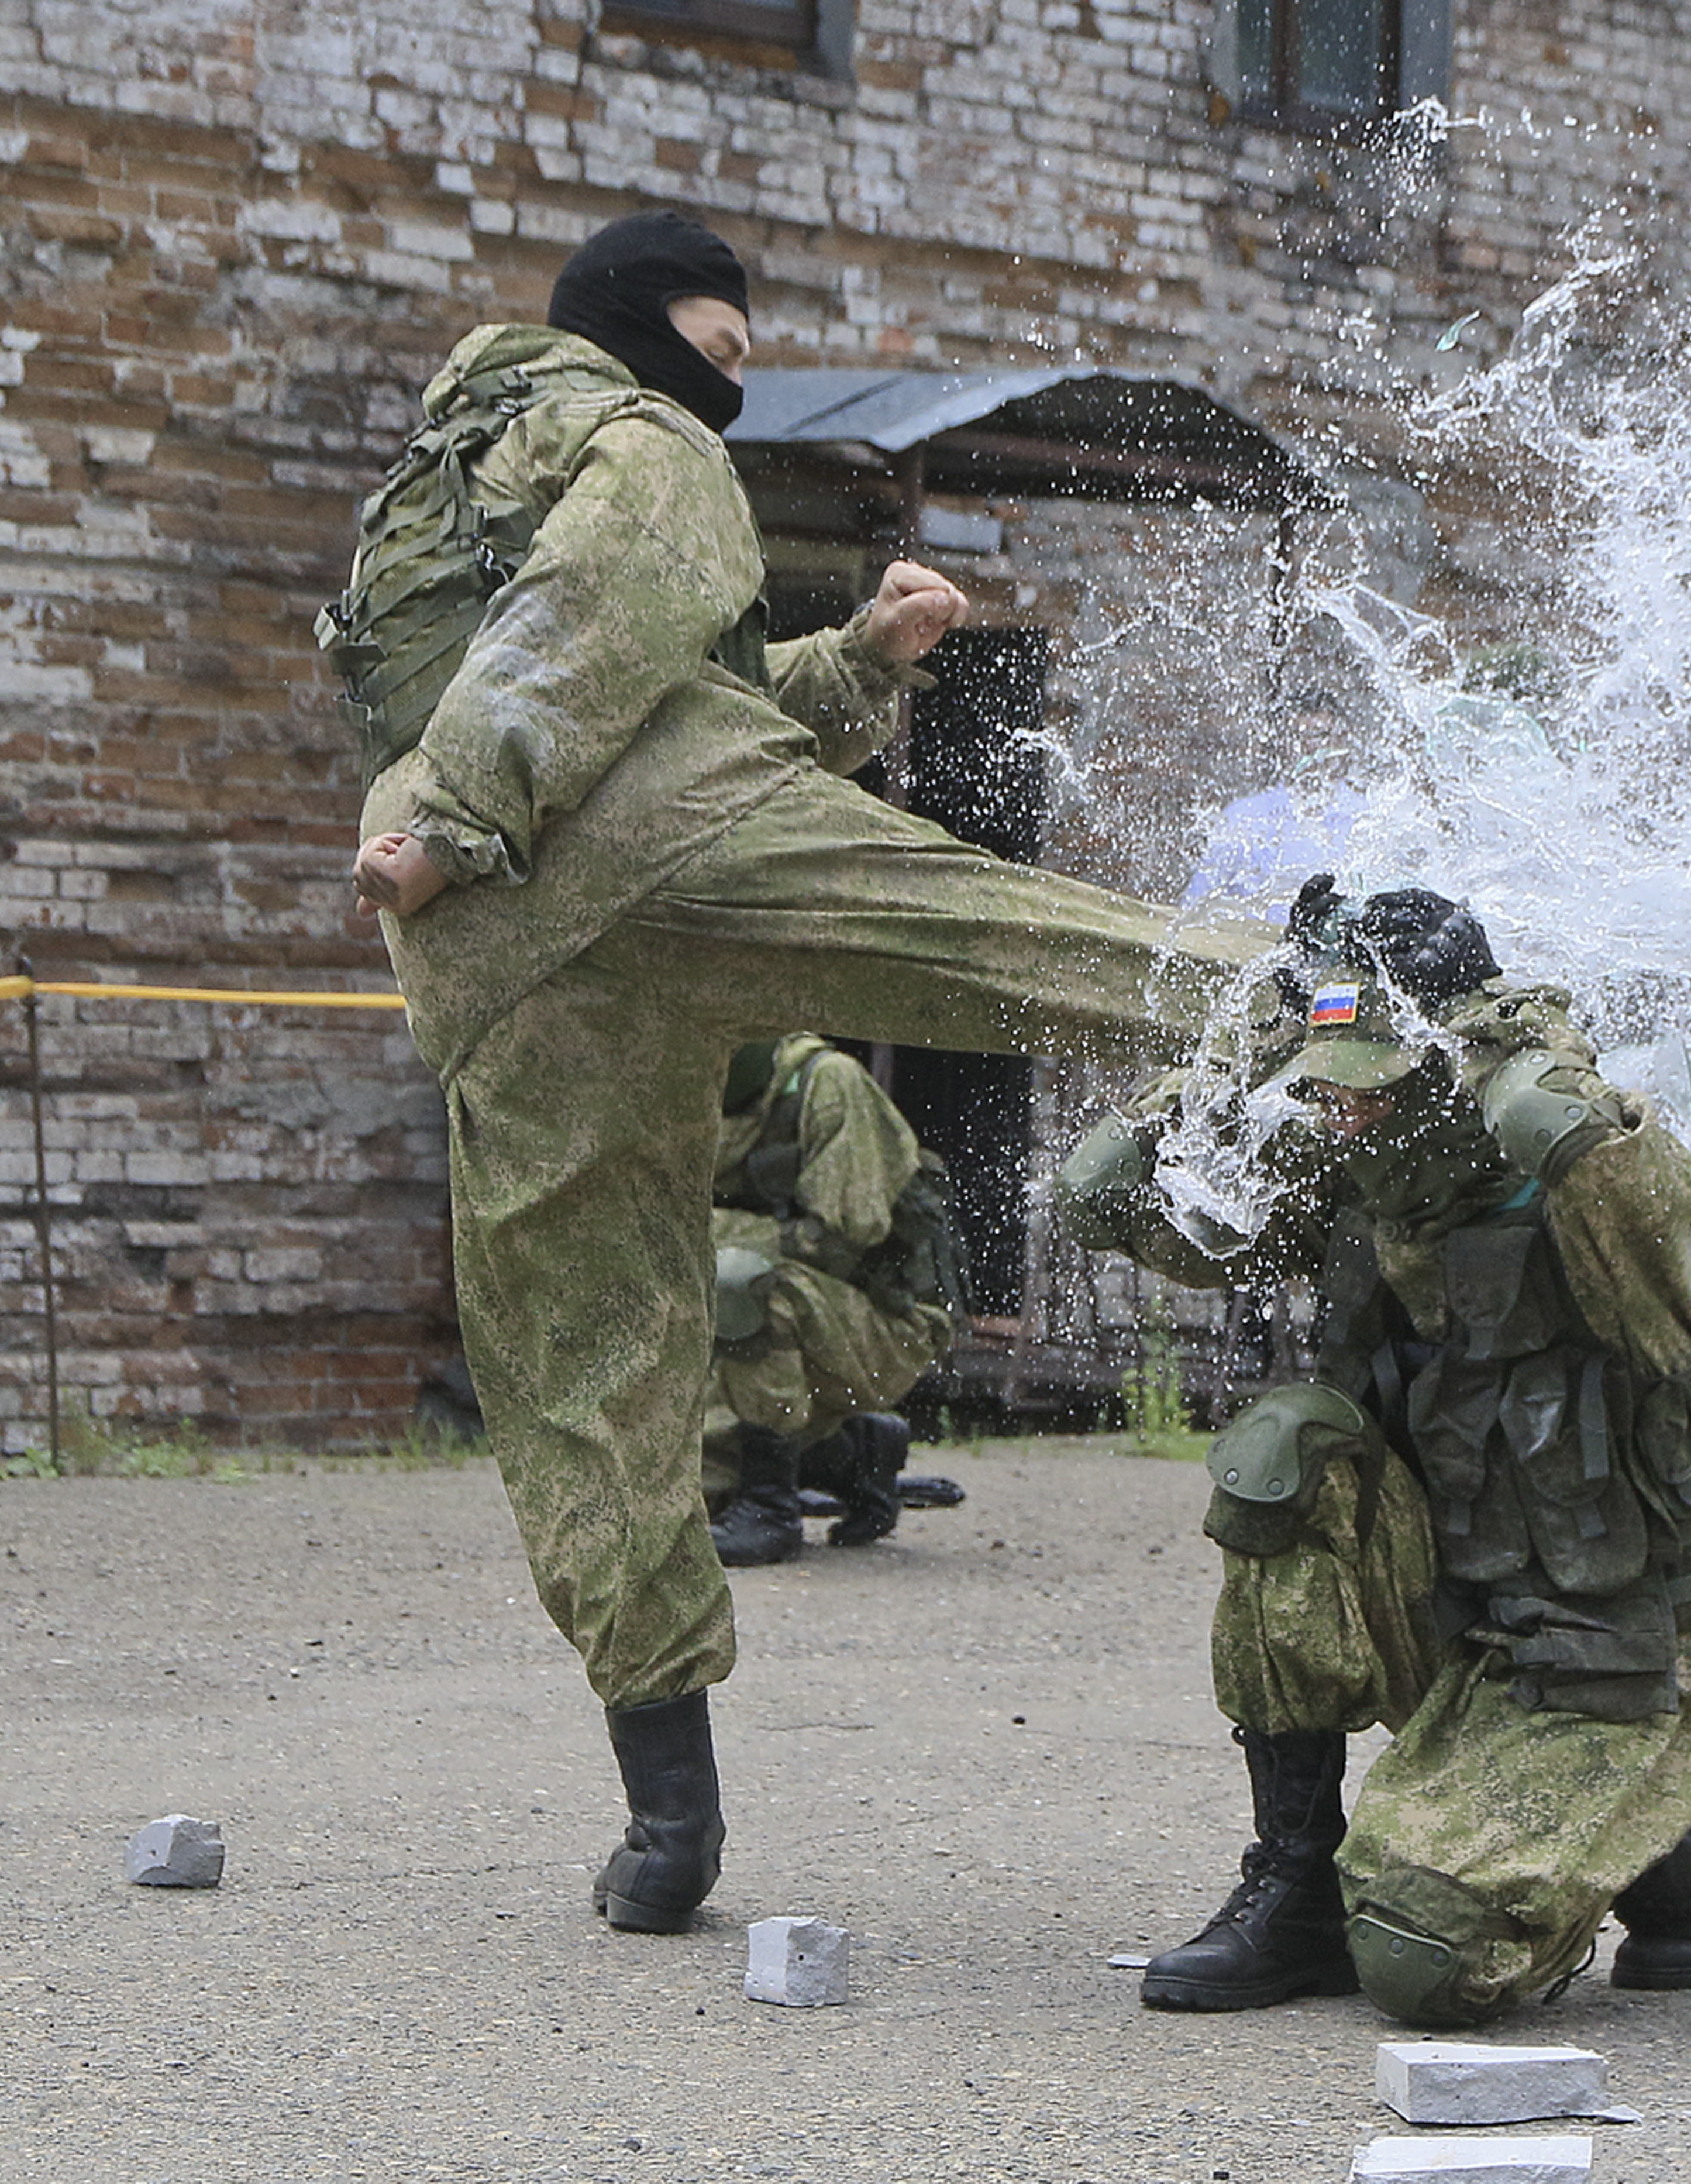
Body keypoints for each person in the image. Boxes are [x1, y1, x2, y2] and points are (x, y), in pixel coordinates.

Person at [323, 208, 1252, 1935]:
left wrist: (855, 663)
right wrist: (451, 820)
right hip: (650, 858)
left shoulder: (439, 478)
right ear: (631, 327)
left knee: (581, 1381)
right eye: (721, 346)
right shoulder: (637, 431)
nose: (728, 387)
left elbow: (656, 689)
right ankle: (1369, 998)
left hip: (510, 959)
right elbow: (602, 622)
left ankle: (664, 1817)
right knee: (1023, 944)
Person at [1058, 883, 1691, 2028]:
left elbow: (1611, 1161)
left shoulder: (1576, 1193)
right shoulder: (1357, 1186)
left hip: (1612, 1648)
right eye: (1326, 1094)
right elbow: (1099, 1203)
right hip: (1462, 1603)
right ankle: (1296, 1884)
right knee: (1281, 1452)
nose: (1341, 1121)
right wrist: (1232, 1055)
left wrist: (1505, 1038)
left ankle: (1652, 1849)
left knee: (1417, 1963)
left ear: (1453, 1074)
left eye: (1370, 1096)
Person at [701, 1033, 963, 1567]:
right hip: (804, 1317)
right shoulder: (686, 1107)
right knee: (690, 1485)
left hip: (891, 1322)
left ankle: (770, 1509)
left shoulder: (827, 1083)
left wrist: (715, 1234)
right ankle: (852, 1456)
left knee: (738, 1278)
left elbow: (844, 1240)